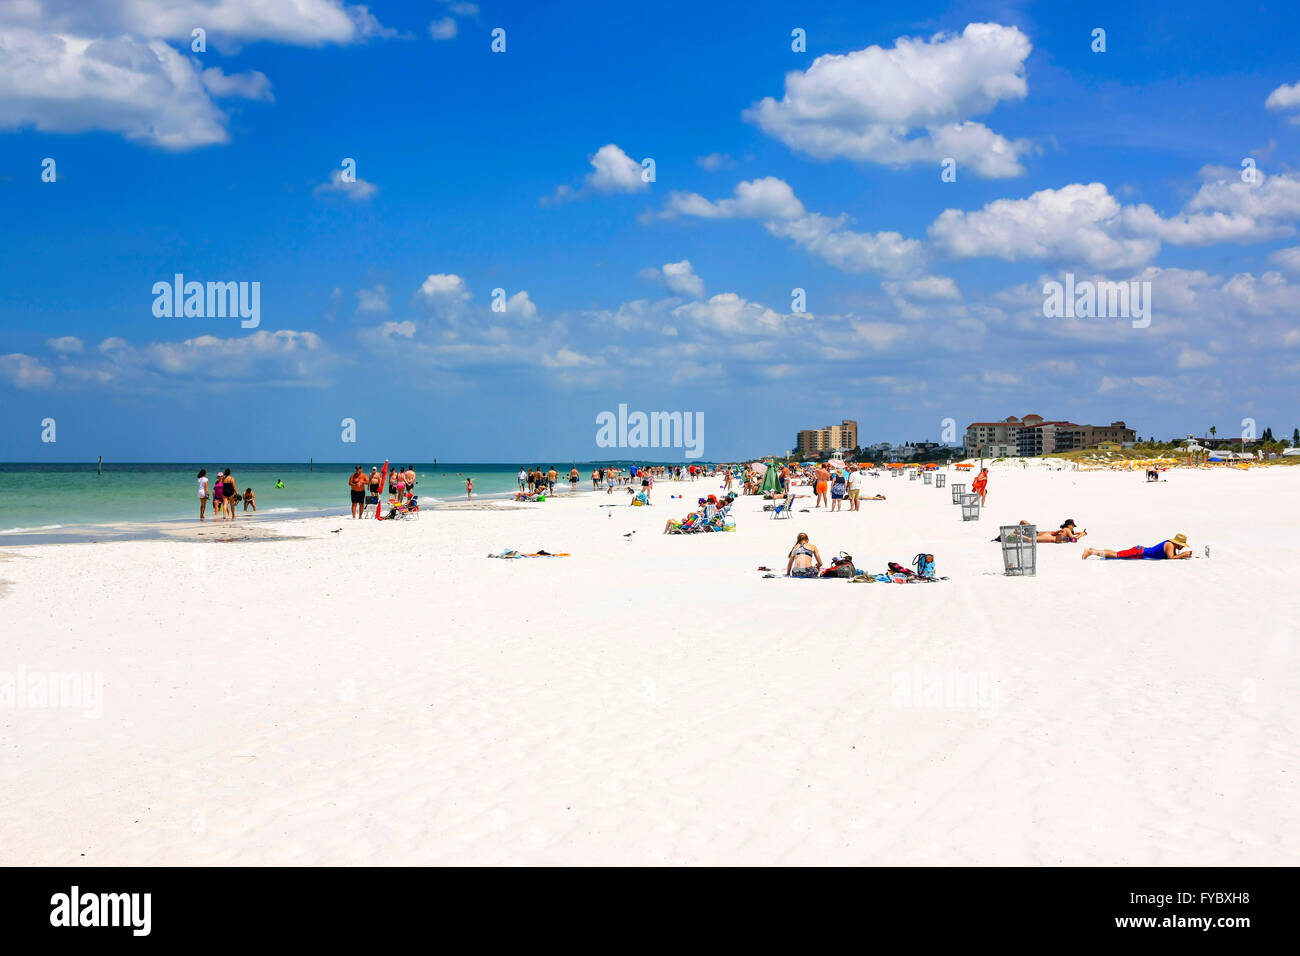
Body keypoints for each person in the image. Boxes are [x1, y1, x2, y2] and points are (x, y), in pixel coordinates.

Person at [1082, 533, 1191, 561]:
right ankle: (1091, 552)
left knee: (1116, 553)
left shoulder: (1171, 545)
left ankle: (1093, 550)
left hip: (1140, 550)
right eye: (1182, 545)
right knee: (1116, 555)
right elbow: (1171, 558)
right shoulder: (1170, 545)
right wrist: (1183, 555)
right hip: (1140, 552)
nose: (1182, 547)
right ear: (1177, 543)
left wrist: (1183, 555)